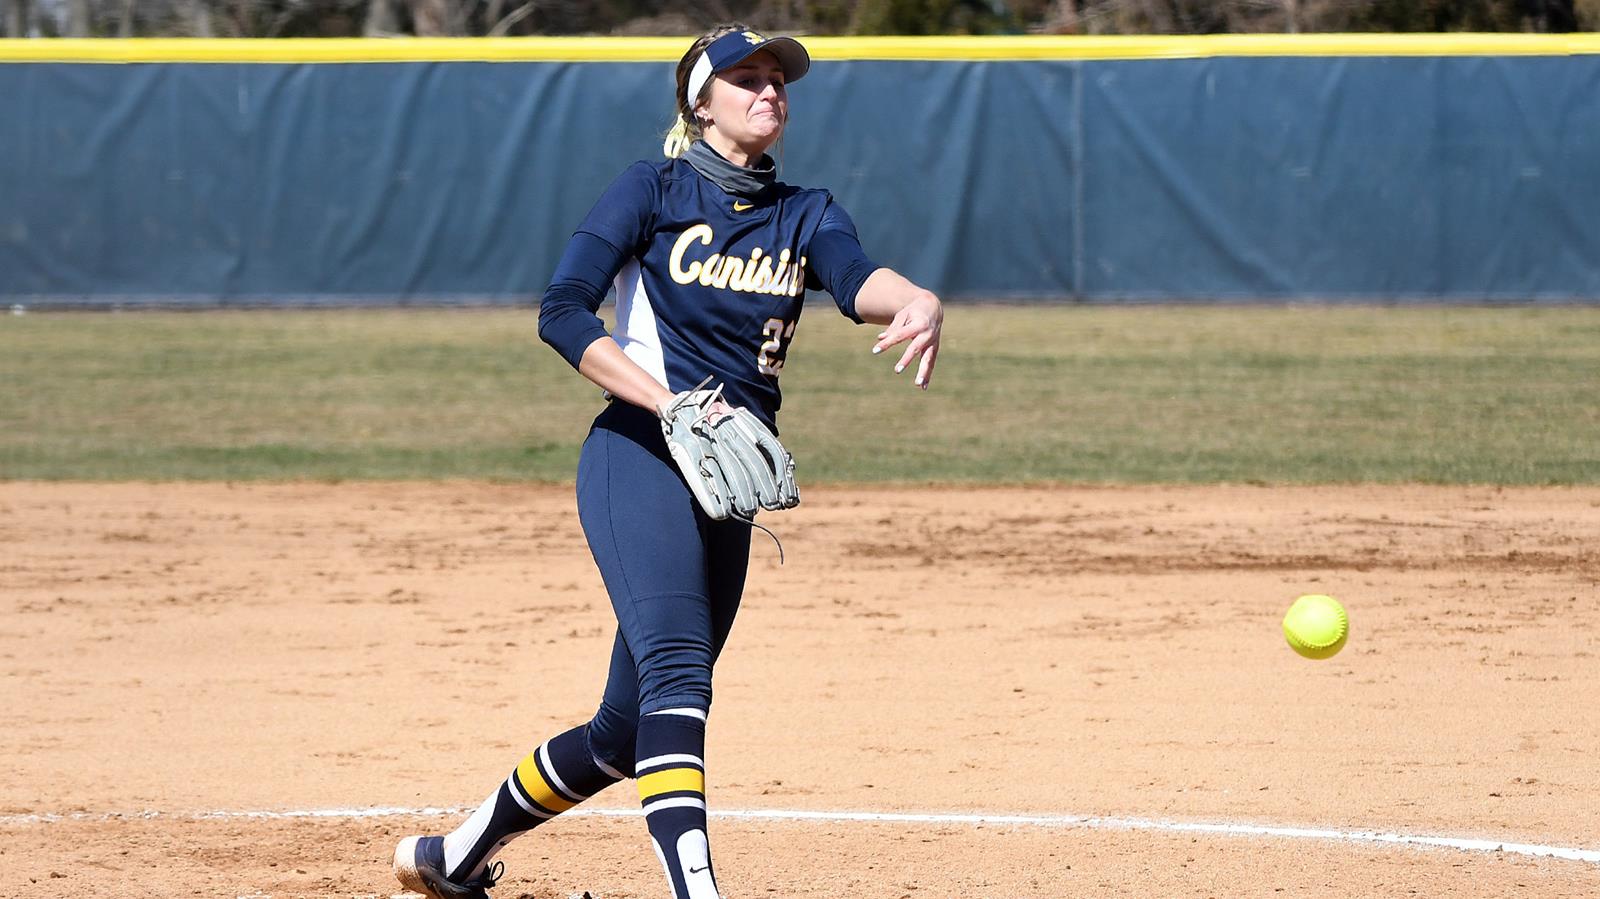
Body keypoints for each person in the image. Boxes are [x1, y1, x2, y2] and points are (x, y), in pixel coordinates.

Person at [393, 23, 943, 899]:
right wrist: (667, 400)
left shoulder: (808, 211)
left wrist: (914, 298)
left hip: (723, 487)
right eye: (746, 78)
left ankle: (453, 854)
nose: (769, 90)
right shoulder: (653, 189)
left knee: (624, 729)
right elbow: (564, 310)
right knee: (680, 673)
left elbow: (854, 278)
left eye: (777, 79)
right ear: (699, 101)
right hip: (640, 455)